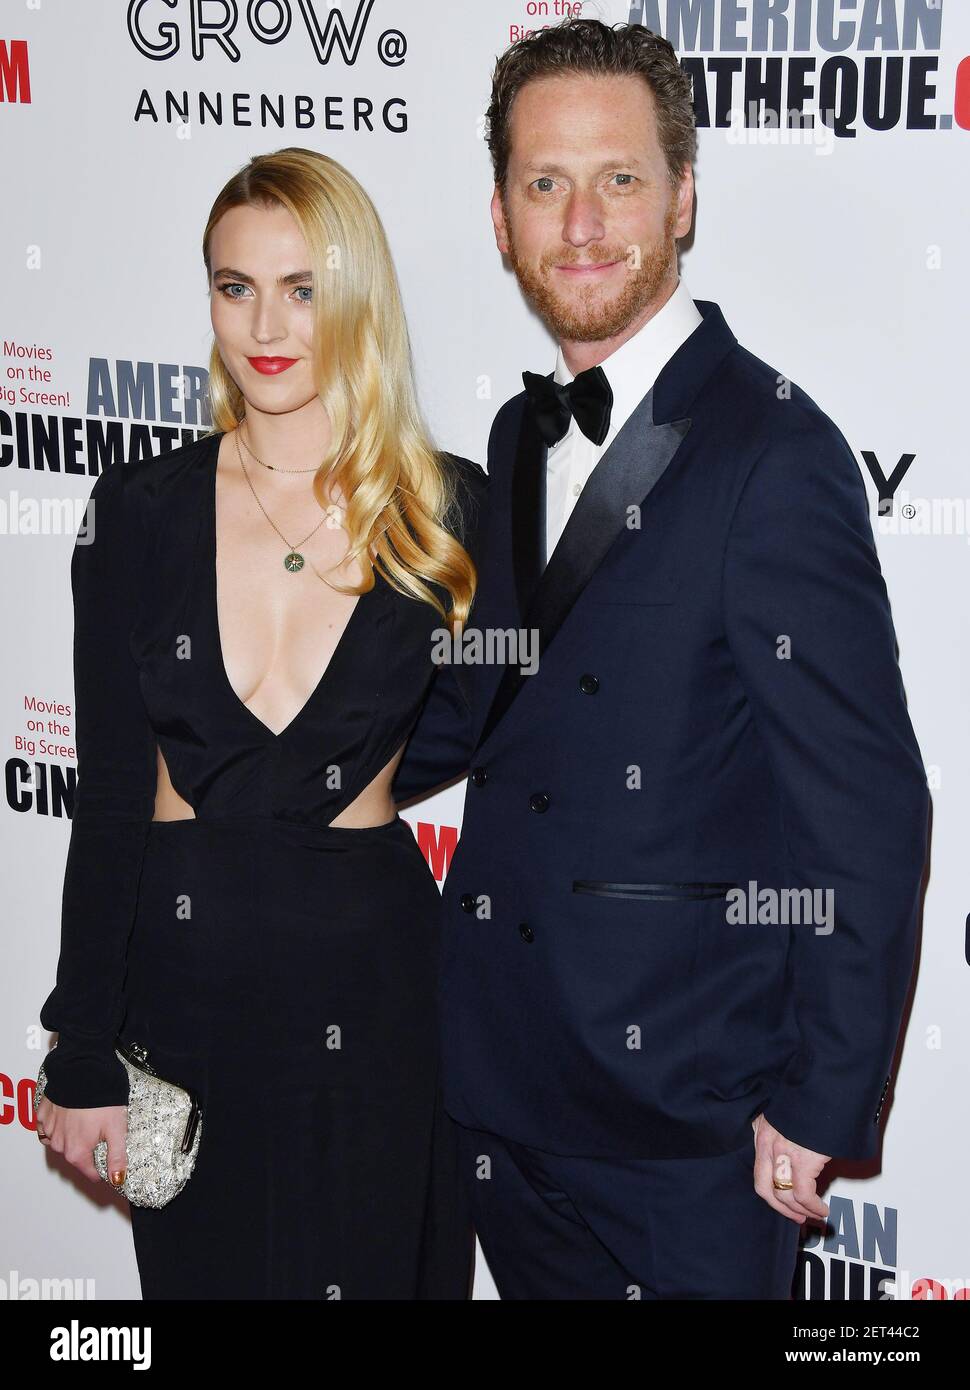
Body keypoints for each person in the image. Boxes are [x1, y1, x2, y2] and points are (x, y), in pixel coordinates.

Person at [392, 19, 929, 1300]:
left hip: (687, 1136)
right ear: (500, 215)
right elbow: (490, 699)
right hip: (508, 1099)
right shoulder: (517, 434)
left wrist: (820, 1102)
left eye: (618, 179)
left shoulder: (775, 452)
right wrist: (263, 759)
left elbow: (867, 809)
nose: (579, 222)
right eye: (544, 184)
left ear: (684, 197)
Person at [35, 146, 487, 1300]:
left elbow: (493, 722)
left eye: (302, 286)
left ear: (356, 296)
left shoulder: (446, 509)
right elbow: (108, 796)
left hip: (374, 990)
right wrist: (82, 1043)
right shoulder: (136, 512)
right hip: (188, 998)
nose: (266, 323)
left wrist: (349, 781)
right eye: (235, 286)